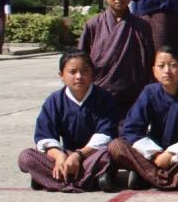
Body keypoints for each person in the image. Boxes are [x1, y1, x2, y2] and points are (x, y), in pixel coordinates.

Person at [107, 47, 178, 190]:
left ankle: (147, 177)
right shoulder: (149, 92)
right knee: (116, 145)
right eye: (161, 66)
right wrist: (156, 154)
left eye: (173, 65)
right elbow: (130, 130)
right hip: (153, 158)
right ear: (154, 71)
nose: (167, 71)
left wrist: (172, 153)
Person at [17, 50, 118, 192]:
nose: (79, 76)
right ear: (62, 75)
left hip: (91, 155)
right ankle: (86, 180)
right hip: (64, 156)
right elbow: (44, 135)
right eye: (72, 72)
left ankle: (53, 180)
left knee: (108, 155)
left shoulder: (104, 98)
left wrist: (79, 155)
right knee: (26, 157)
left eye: (84, 71)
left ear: (92, 74)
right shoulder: (55, 100)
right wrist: (59, 156)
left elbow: (106, 134)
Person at [78, 0, 155, 122]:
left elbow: (150, 63)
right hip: (98, 96)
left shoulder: (142, 26)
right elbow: (81, 60)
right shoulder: (93, 25)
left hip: (132, 99)